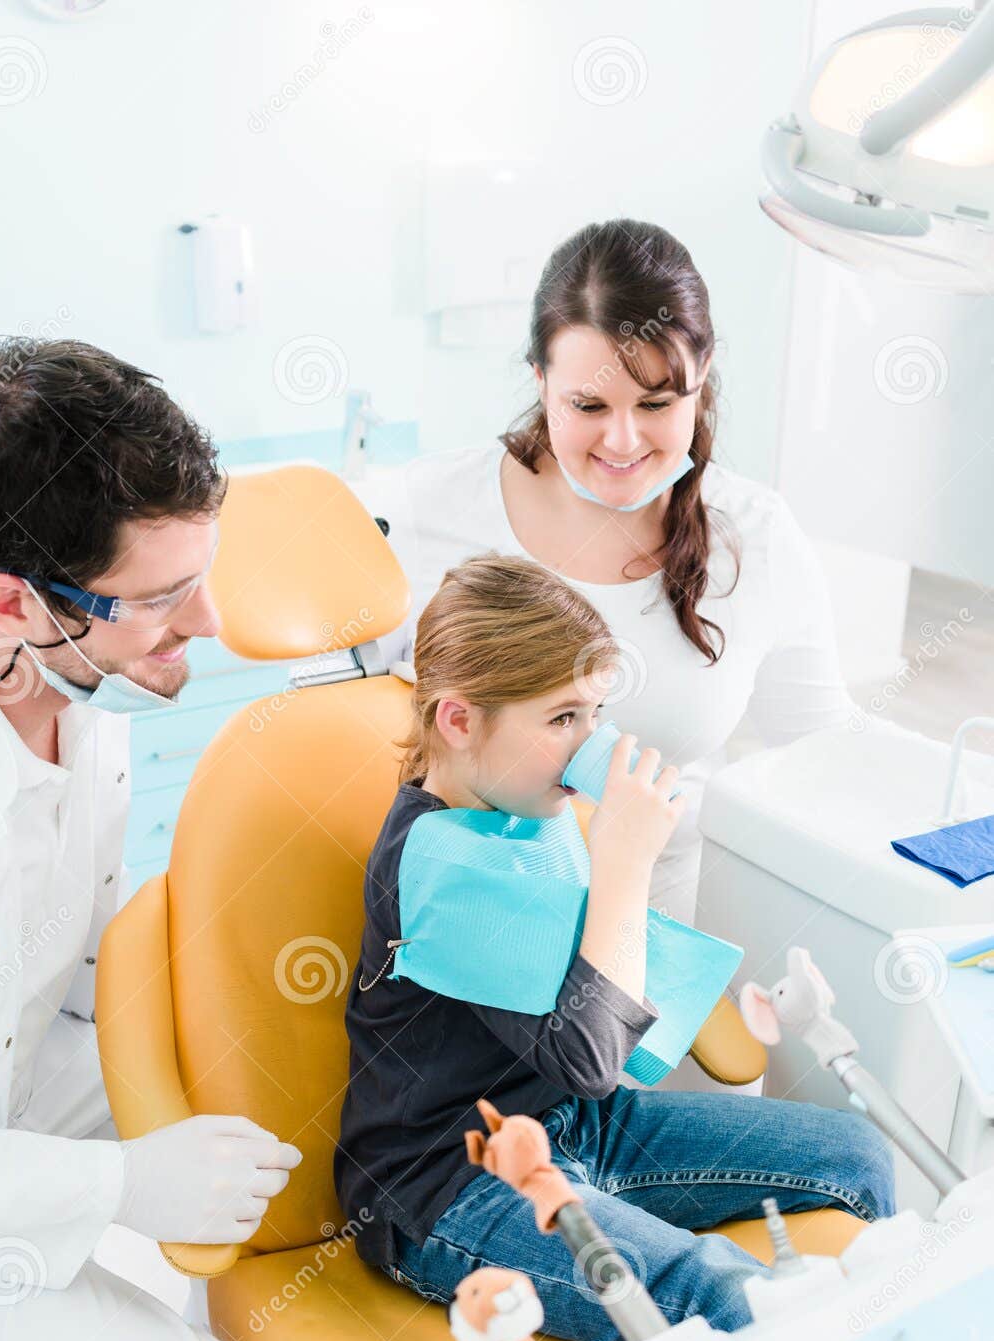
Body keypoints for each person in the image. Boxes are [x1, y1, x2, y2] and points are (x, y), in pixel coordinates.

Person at [0, 338, 307, 1341]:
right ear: (11, 603)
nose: (204, 621)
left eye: (202, 574)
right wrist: (115, 1182)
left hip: (6, 1106)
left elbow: (67, 984)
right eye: (155, 597)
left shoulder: (78, 701)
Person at [335, 555, 894, 1341]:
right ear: (459, 722)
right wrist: (625, 862)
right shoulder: (442, 864)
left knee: (852, 1154)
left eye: (594, 714)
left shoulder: (524, 799)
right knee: (712, 1288)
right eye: (562, 719)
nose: (587, 743)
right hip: (448, 1185)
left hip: (575, 1125)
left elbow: (593, 1040)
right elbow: (589, 1056)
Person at [353, 218, 852, 925]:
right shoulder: (421, 509)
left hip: (667, 928)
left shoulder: (754, 536)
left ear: (701, 379)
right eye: (587, 406)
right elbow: (328, 727)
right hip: (468, 930)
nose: (622, 441)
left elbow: (821, 747)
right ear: (540, 380)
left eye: (655, 404)